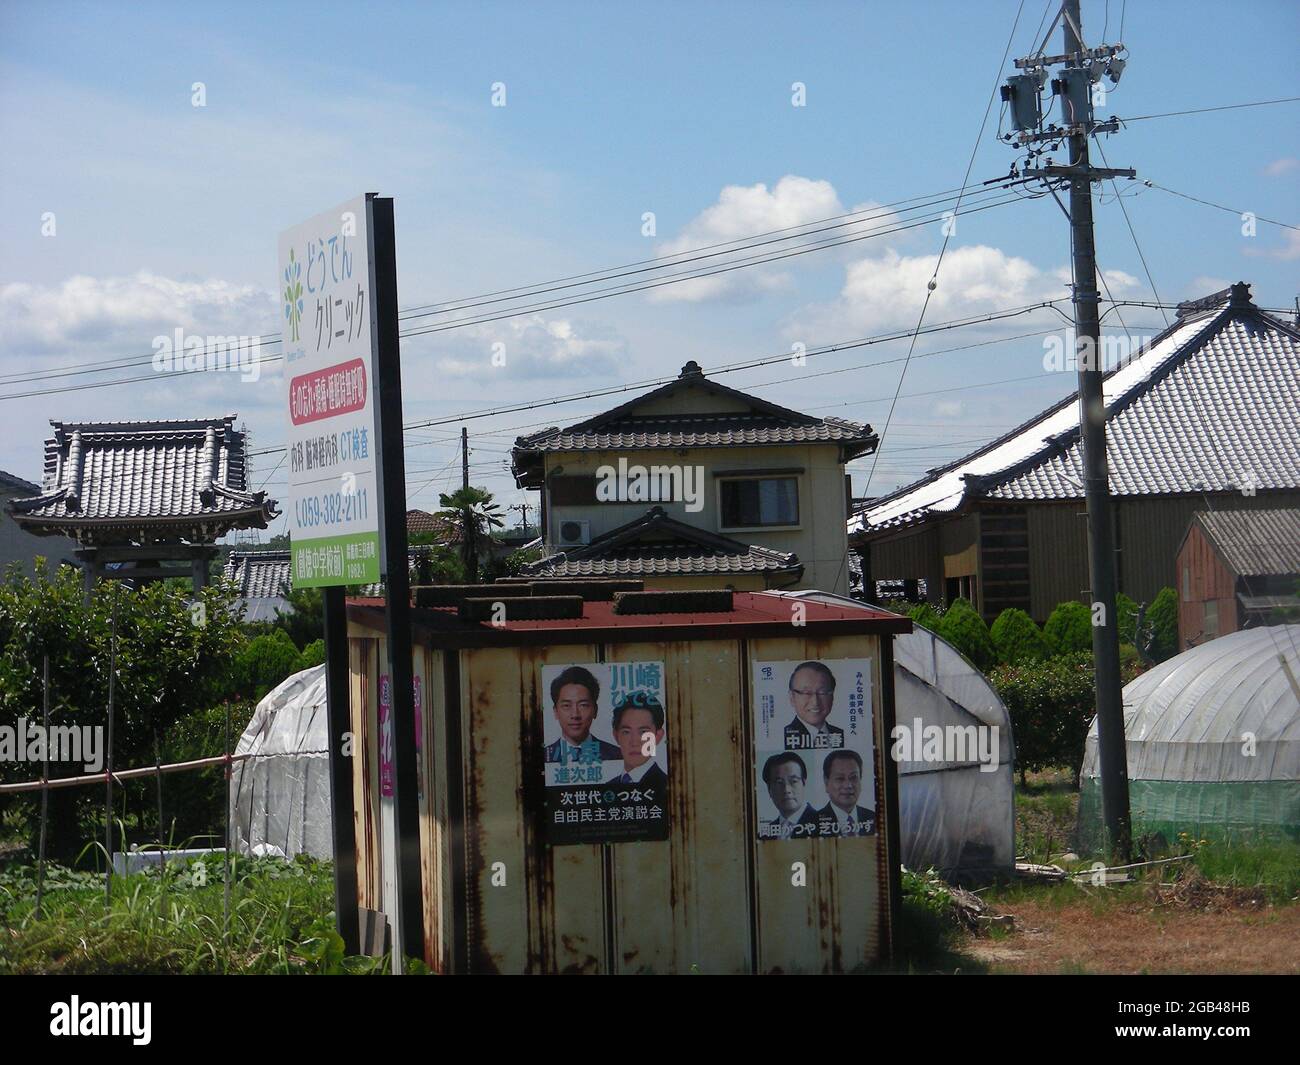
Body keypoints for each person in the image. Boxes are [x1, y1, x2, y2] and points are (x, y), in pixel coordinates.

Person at [544, 666, 621, 772]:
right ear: (555, 712)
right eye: (566, 705)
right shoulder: (543, 757)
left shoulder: (617, 755)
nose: (575, 715)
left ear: (595, 710)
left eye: (583, 705)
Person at [607, 690, 667, 794]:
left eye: (643, 732)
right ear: (616, 736)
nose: (634, 742)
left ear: (658, 736)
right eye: (626, 732)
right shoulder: (608, 787)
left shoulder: (667, 786)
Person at [783, 661, 844, 750]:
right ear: (792, 697)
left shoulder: (842, 735)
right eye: (806, 693)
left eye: (822, 692)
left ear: (832, 696)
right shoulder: (783, 737)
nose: (815, 702)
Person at [816, 750, 876, 837]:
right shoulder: (811, 823)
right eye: (840, 778)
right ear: (826, 782)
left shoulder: (874, 818)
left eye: (854, 777)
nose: (848, 785)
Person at [761, 752, 819, 839]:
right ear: (769, 789)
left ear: (804, 783)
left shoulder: (824, 824)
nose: (787, 790)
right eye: (779, 783)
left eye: (794, 781)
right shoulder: (764, 834)